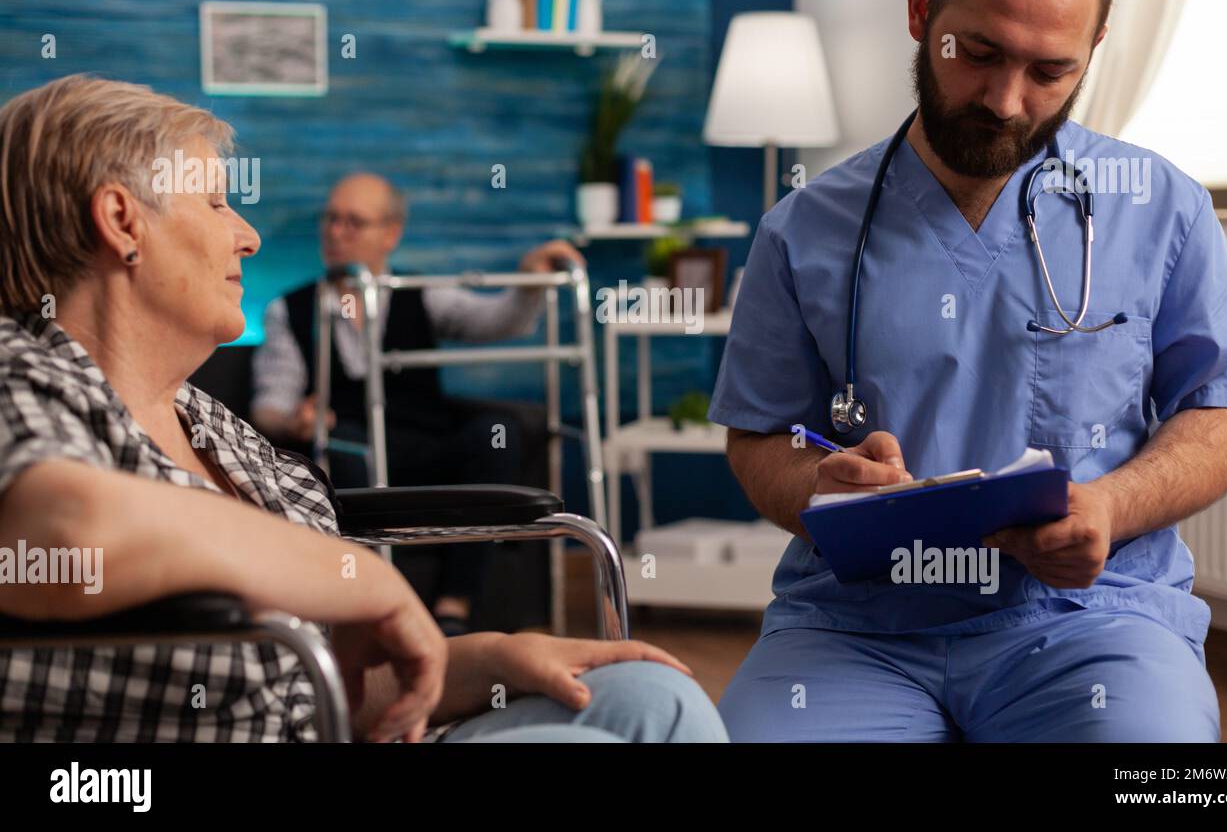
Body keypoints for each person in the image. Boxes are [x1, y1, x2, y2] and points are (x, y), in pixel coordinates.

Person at [708, 0, 1227, 742]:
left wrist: (1112, 508)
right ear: (921, 12)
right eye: (978, 52)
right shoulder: (801, 231)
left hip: (1091, 621)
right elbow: (761, 438)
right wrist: (818, 486)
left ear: (1092, 53)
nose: (1008, 100)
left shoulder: (1161, 206)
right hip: (858, 629)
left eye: (1051, 71)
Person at [0, 74, 727, 743]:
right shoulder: (21, 374)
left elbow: (322, 686)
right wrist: (361, 576)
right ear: (123, 221)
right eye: (218, 201)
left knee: (657, 698)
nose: (247, 234)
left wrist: (493, 661)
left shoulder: (209, 422)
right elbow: (61, 533)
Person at [251, 172, 582, 635]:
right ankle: (381, 613)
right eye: (330, 219)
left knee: (495, 432)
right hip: (351, 453)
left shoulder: (418, 294)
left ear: (391, 233)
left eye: (353, 222)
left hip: (424, 447)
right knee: (344, 451)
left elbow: (497, 321)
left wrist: (528, 282)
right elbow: (269, 405)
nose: (335, 231)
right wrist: (295, 420)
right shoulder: (290, 310)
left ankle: (453, 609)